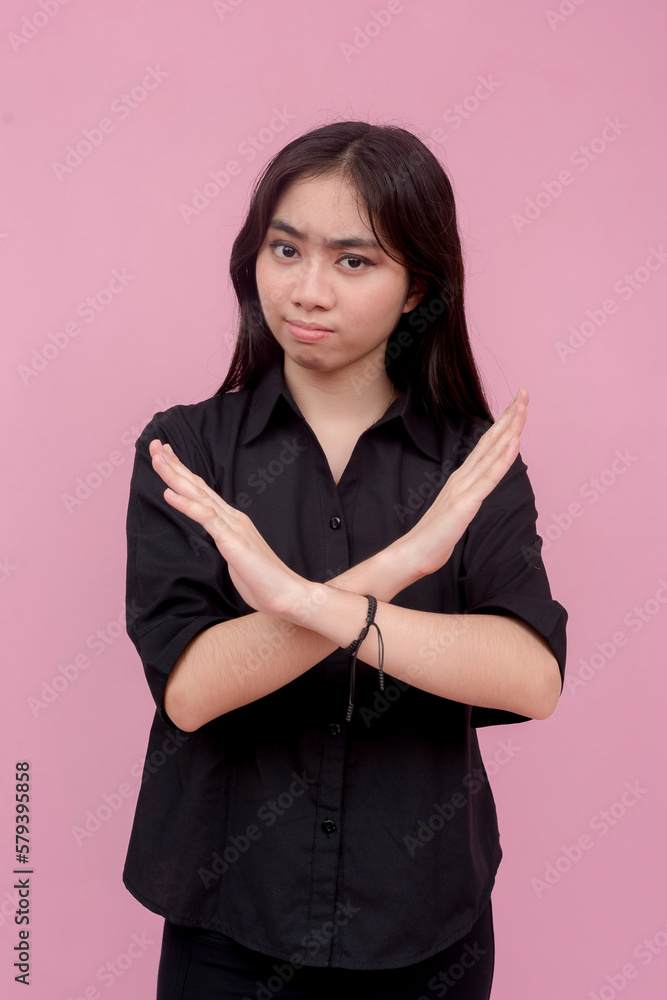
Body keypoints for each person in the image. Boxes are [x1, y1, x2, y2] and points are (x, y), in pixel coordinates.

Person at [122, 120, 568, 999]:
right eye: (285, 249)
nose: (307, 291)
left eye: (353, 261)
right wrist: (405, 562)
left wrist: (301, 601)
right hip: (231, 922)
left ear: (416, 289)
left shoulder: (469, 465)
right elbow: (194, 689)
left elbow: (531, 678)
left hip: (425, 928)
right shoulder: (188, 451)